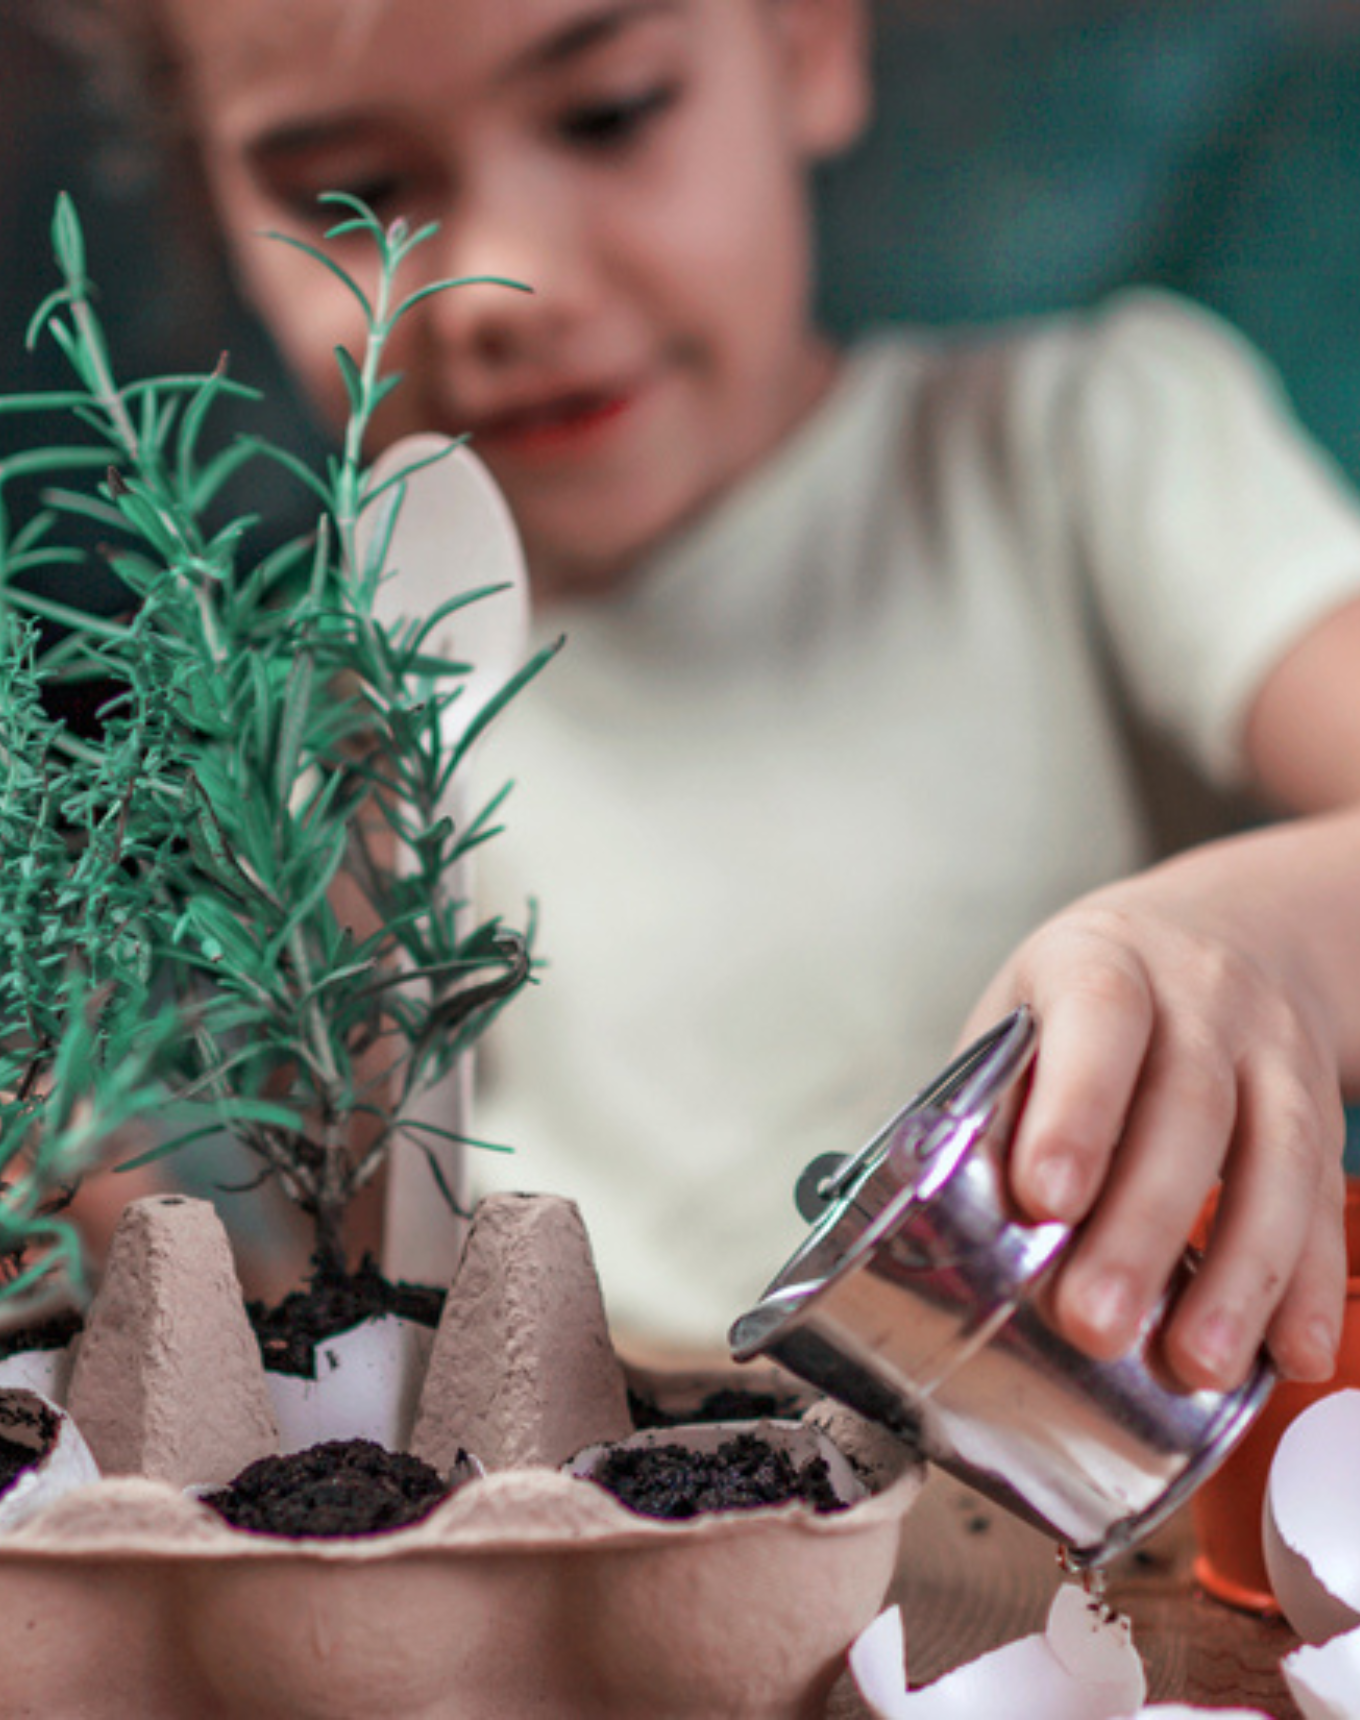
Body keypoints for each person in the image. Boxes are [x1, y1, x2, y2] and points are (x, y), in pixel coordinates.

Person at [71, 0, 1360, 1382]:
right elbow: (374, 1317)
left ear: (805, 43)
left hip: (1051, 1542)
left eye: (610, 112)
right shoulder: (336, 705)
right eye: (356, 194)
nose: (510, 284)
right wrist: (105, 1198)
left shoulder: (1082, 451)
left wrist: (1255, 940)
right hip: (601, 1529)